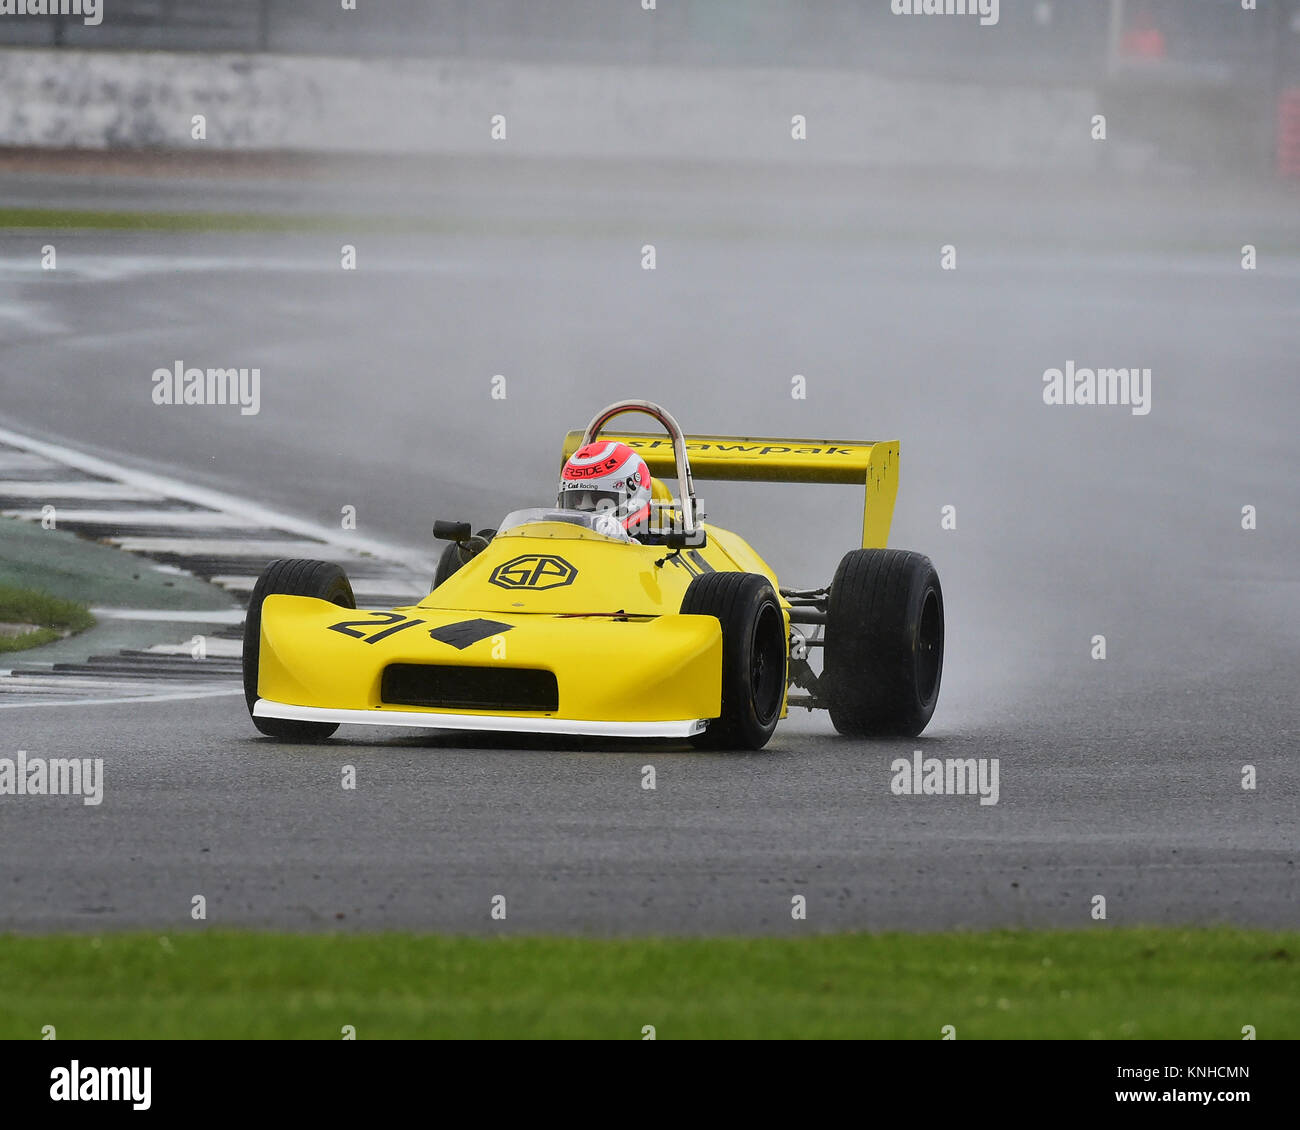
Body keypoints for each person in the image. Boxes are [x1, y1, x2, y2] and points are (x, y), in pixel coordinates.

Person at [557, 441, 654, 540]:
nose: (582, 507)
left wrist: (630, 545)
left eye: (597, 498)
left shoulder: (665, 546)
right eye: (577, 498)